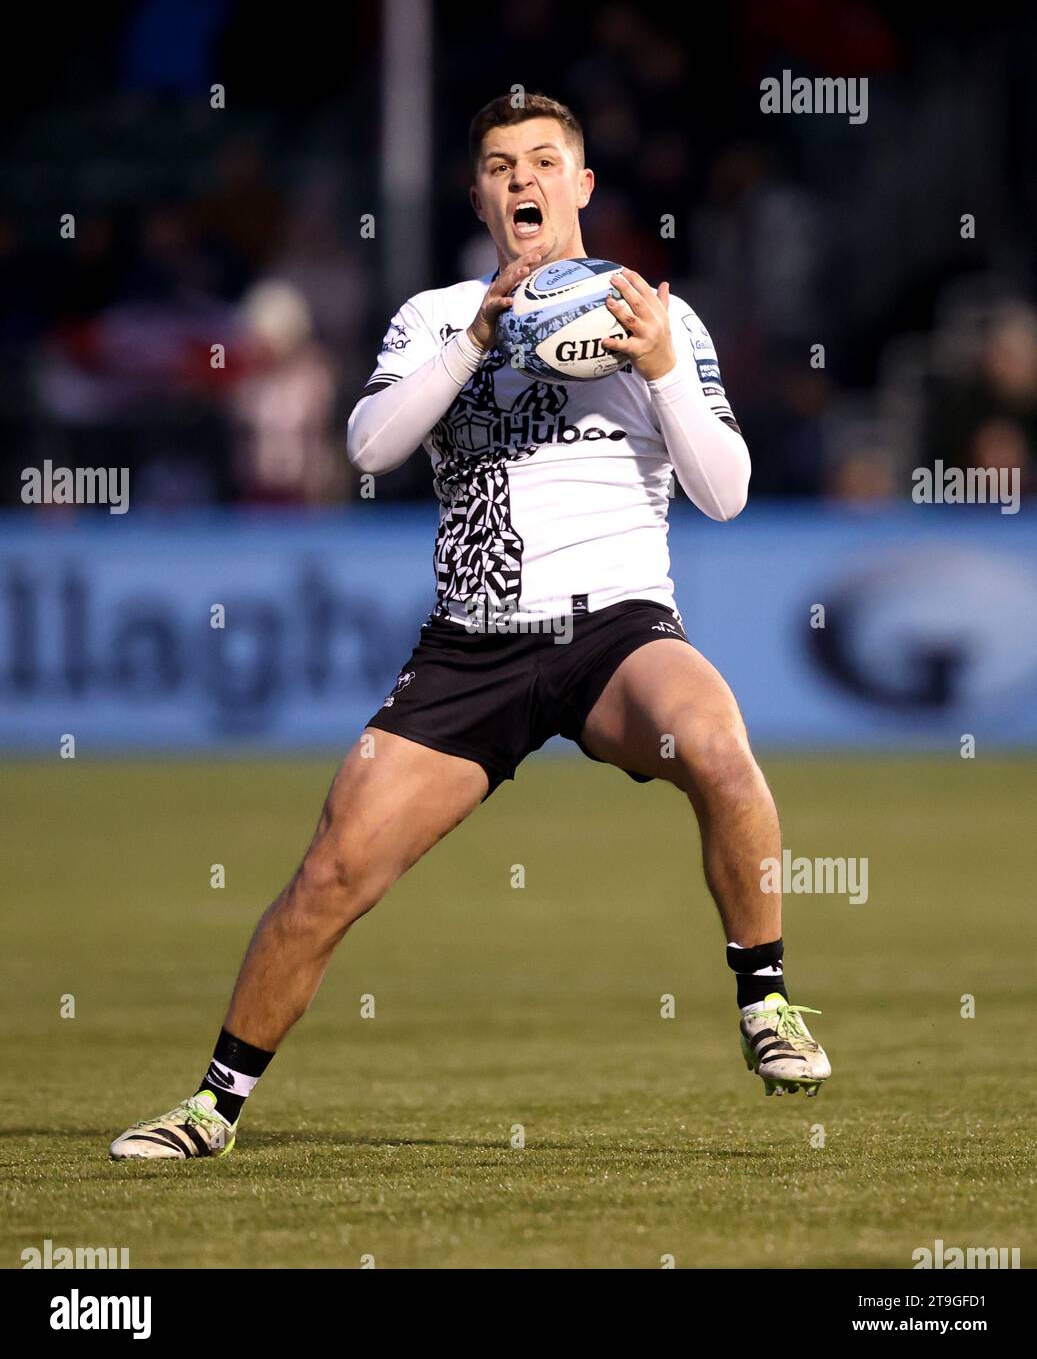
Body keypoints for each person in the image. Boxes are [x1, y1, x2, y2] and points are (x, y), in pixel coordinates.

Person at [109, 94, 829, 1161]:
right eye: (499, 165)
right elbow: (366, 446)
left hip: (614, 633)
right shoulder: (434, 317)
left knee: (717, 744)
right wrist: (475, 342)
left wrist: (661, 368)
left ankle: (764, 1000)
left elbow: (723, 491)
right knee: (332, 873)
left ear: (580, 187)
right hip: (472, 644)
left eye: (544, 161)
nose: (521, 179)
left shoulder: (652, 314)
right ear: (481, 193)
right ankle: (212, 1107)